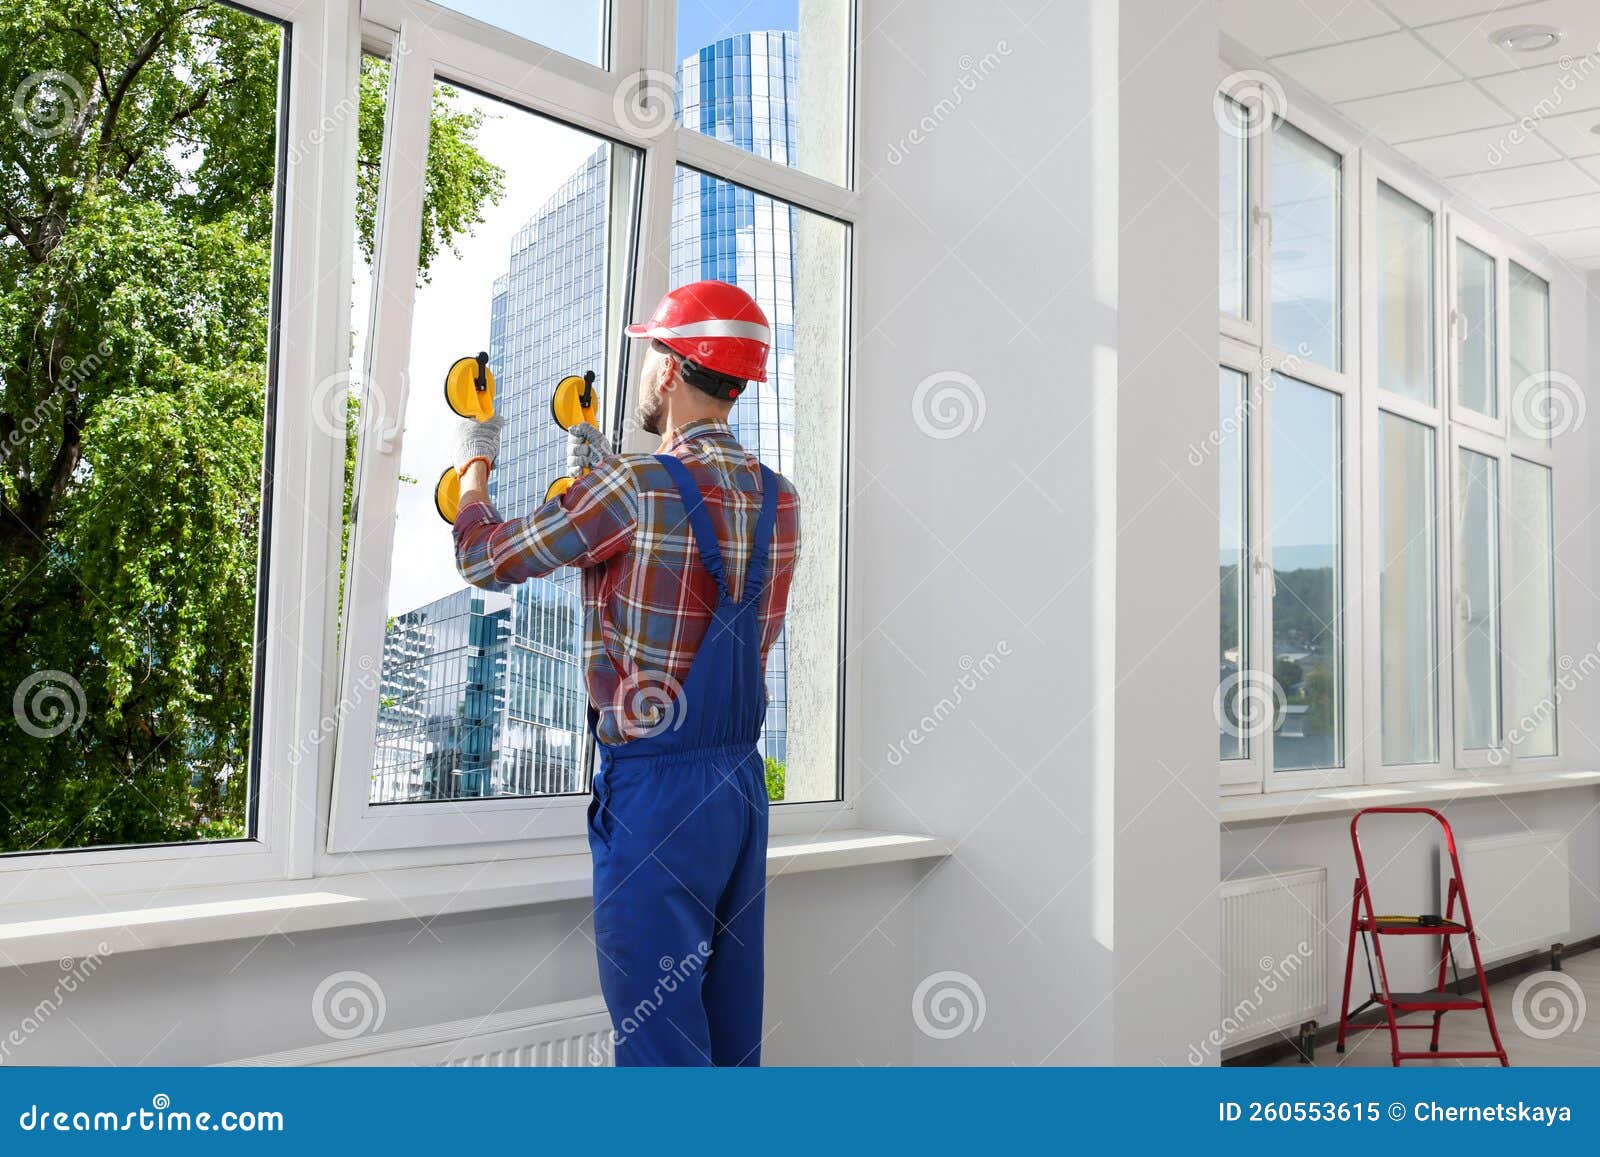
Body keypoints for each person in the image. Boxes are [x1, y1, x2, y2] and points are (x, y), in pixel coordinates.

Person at [450, 280, 801, 1066]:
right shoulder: (781, 501)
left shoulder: (632, 489)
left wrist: (475, 462)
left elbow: (485, 557)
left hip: (656, 799)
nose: (644, 368)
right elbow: (681, 555)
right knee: (730, 1037)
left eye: (650, 352)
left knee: (659, 1052)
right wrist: (593, 462)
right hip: (740, 793)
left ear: (673, 369)